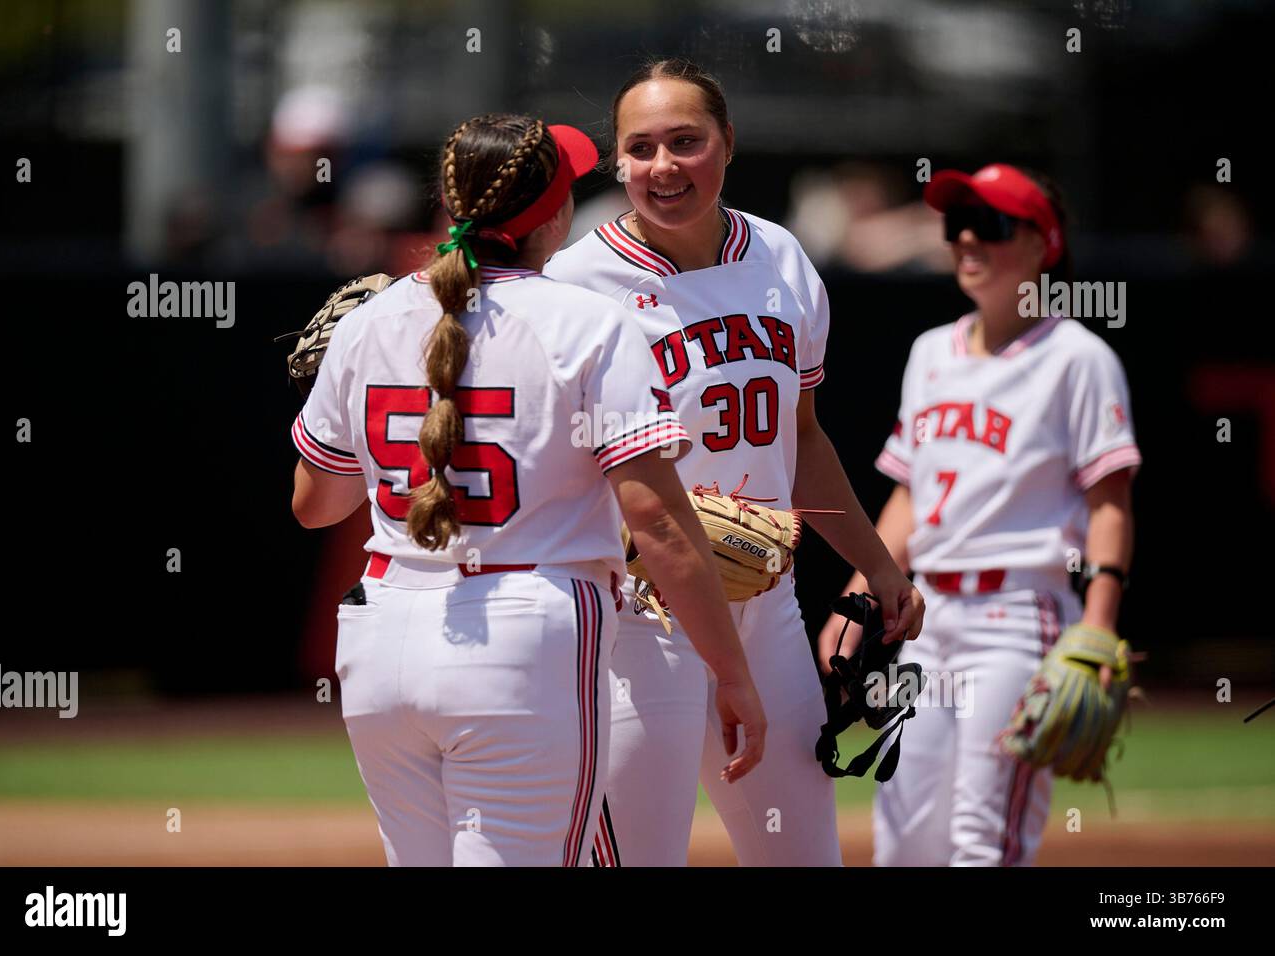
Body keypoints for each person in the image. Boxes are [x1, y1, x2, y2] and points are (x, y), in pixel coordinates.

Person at [290, 113, 766, 867]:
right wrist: (732, 671)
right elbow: (658, 524)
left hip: (381, 637)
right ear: (554, 213)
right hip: (524, 634)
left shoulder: (373, 321)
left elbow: (316, 506)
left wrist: (337, 371)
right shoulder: (590, 324)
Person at [543, 59, 924, 867]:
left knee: (802, 853)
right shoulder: (575, 281)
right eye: (640, 148)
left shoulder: (781, 257)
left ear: (728, 143)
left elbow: (805, 442)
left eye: (686, 141)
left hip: (767, 599)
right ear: (617, 161)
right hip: (641, 616)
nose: (663, 166)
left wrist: (878, 566)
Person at [817, 163, 1141, 866]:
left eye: (988, 225)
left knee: (980, 840)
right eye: (956, 225)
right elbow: (911, 494)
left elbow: (1109, 503)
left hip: (1020, 617)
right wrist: (854, 596)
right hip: (927, 619)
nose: (966, 239)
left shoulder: (1078, 359)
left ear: (1041, 243)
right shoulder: (931, 352)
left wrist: (1099, 624)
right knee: (903, 836)